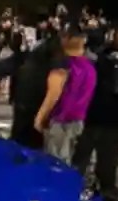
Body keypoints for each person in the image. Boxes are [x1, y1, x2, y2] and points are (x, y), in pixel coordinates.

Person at [72, 24, 118, 201]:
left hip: (116, 118)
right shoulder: (100, 54)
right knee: (82, 155)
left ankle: (106, 188)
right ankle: (75, 186)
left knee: (108, 158)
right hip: (93, 115)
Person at [34, 22, 97, 163]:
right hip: (78, 119)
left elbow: (53, 93)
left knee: (56, 162)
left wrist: (40, 117)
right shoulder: (90, 66)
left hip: (59, 119)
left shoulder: (63, 64)